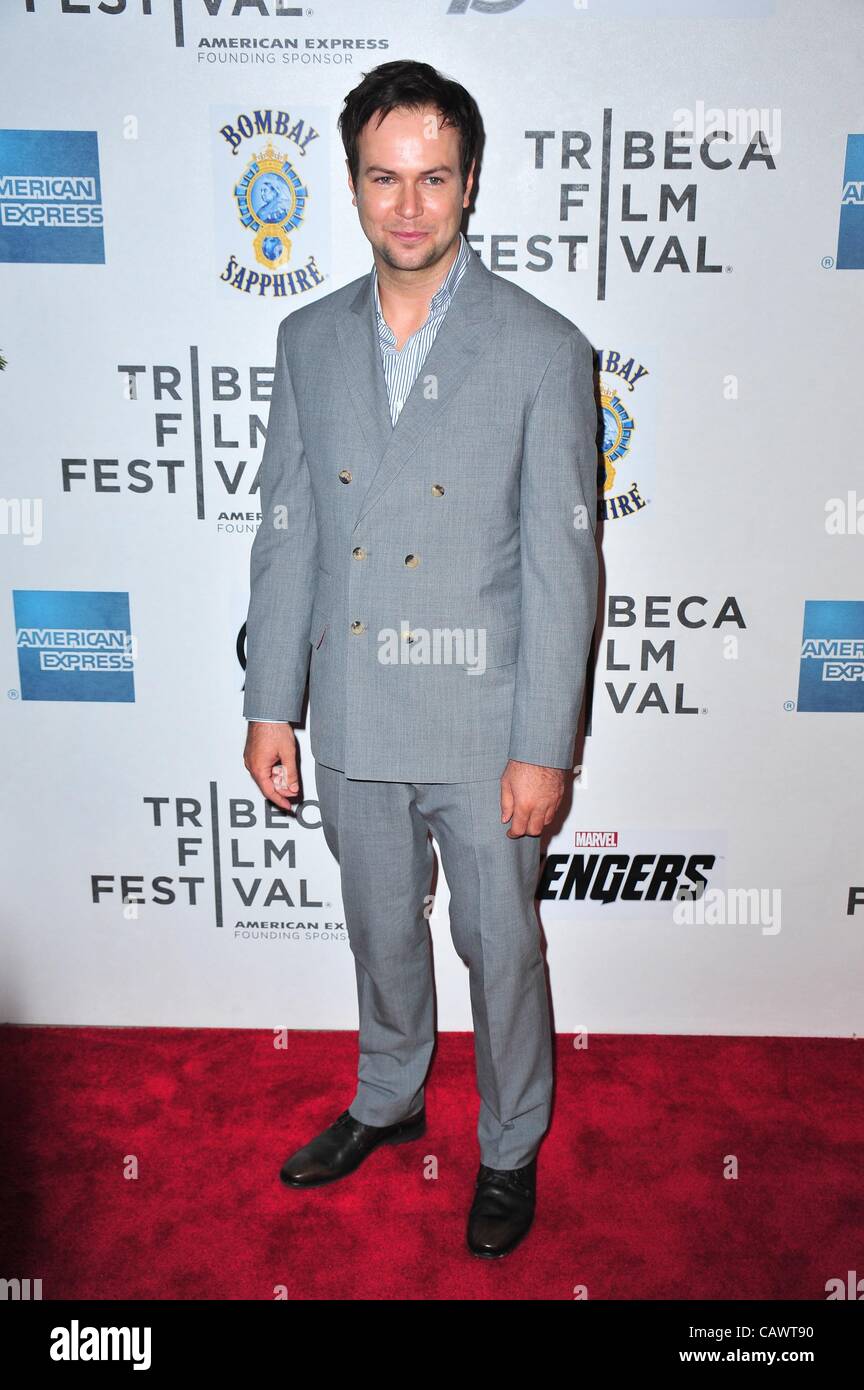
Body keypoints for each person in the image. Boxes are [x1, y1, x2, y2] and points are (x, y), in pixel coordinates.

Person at [242, 59, 599, 1259]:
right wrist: (268, 704)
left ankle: (508, 1146)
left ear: (469, 184)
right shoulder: (306, 340)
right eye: (384, 179)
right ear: (350, 186)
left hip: (484, 721)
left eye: (432, 179)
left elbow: (563, 570)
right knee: (379, 931)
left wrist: (544, 744)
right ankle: (389, 1095)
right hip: (352, 711)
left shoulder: (546, 348)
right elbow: (285, 531)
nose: (408, 205)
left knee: (501, 951)